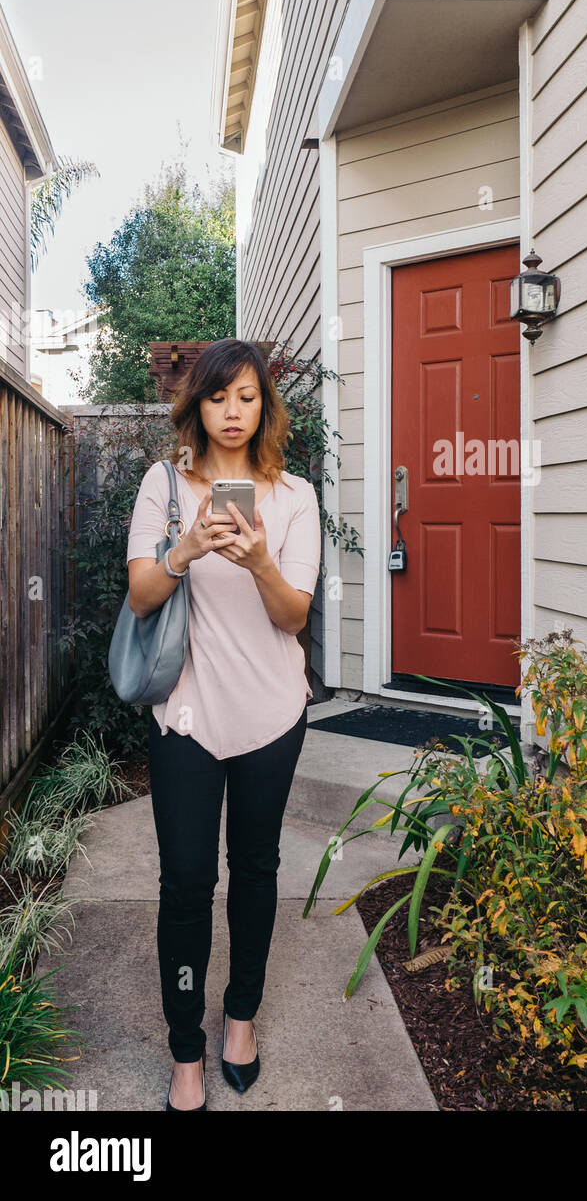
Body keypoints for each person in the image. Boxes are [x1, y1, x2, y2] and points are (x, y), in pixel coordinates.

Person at [125, 338, 322, 1110]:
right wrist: (186, 548)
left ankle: (239, 1017)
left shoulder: (294, 497)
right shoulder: (163, 485)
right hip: (186, 718)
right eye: (217, 397)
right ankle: (185, 1050)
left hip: (272, 713)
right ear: (196, 406)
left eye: (246, 396)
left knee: (257, 869)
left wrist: (260, 562)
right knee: (185, 883)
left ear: (263, 405)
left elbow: (293, 616)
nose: (232, 412)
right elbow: (142, 597)